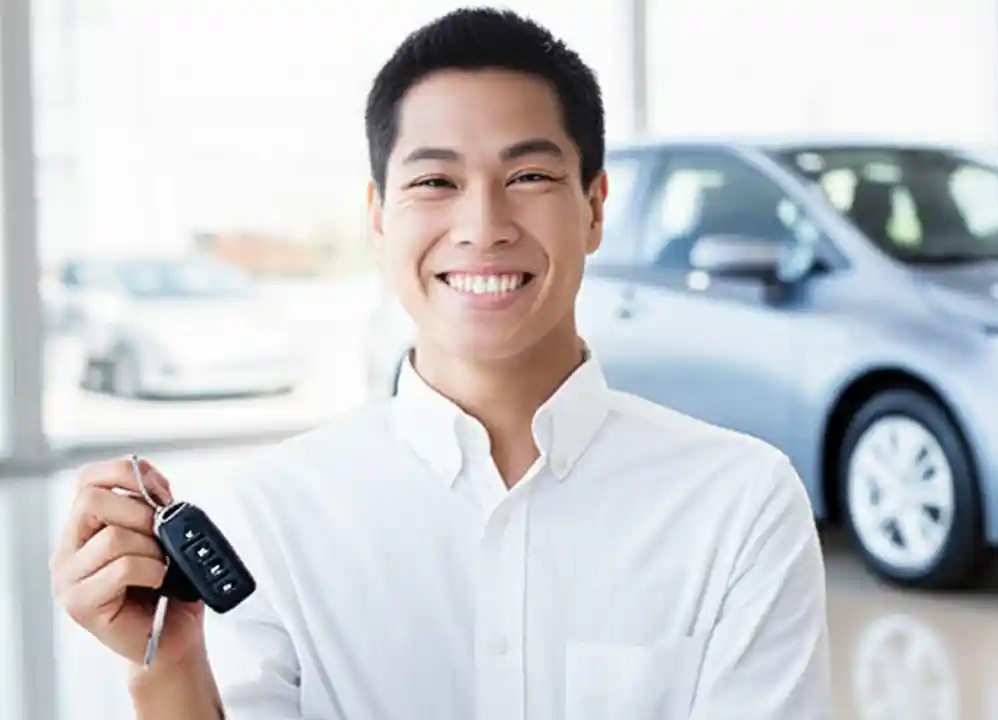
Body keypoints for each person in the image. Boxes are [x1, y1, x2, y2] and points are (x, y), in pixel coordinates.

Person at [49, 7, 832, 719]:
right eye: (435, 182)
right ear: (378, 217)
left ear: (594, 208)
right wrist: (170, 668)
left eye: (528, 176)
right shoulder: (272, 516)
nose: (484, 225)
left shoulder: (740, 506)